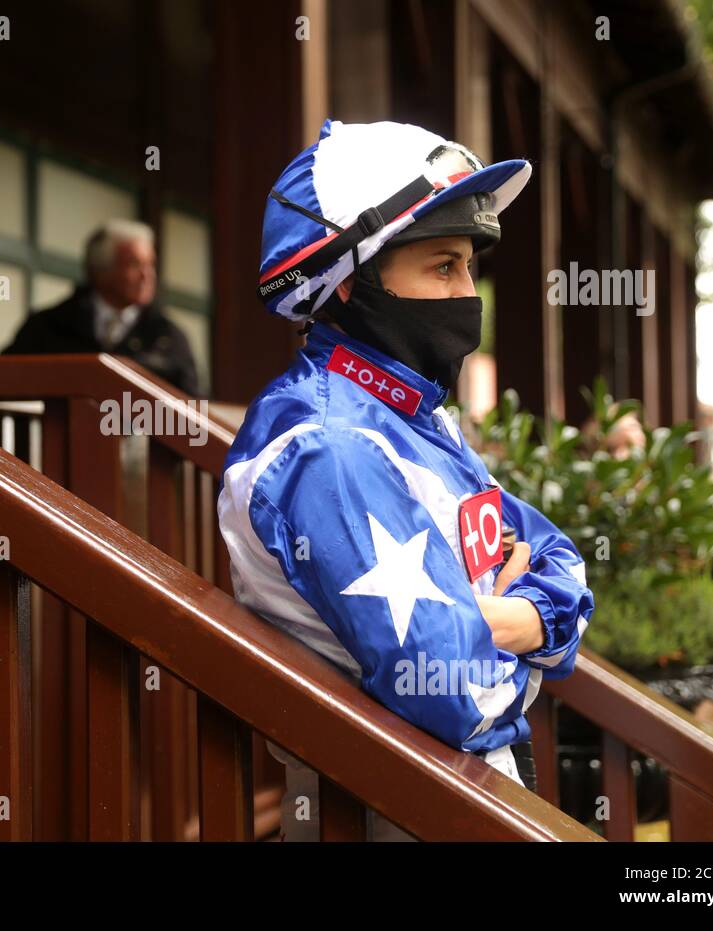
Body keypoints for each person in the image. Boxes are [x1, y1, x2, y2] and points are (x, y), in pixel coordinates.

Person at [217, 120, 595, 818]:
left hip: (462, 798)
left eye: (470, 266)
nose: (467, 292)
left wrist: (492, 618)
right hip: (386, 810)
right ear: (352, 282)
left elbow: (561, 561)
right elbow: (455, 689)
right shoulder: (329, 446)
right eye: (443, 266)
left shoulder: (415, 419)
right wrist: (522, 632)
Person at [2, 219, 200, 394]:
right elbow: (2, 381)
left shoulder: (169, 337)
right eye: (134, 264)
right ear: (100, 270)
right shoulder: (46, 326)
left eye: (150, 265)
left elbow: (196, 409)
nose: (147, 275)